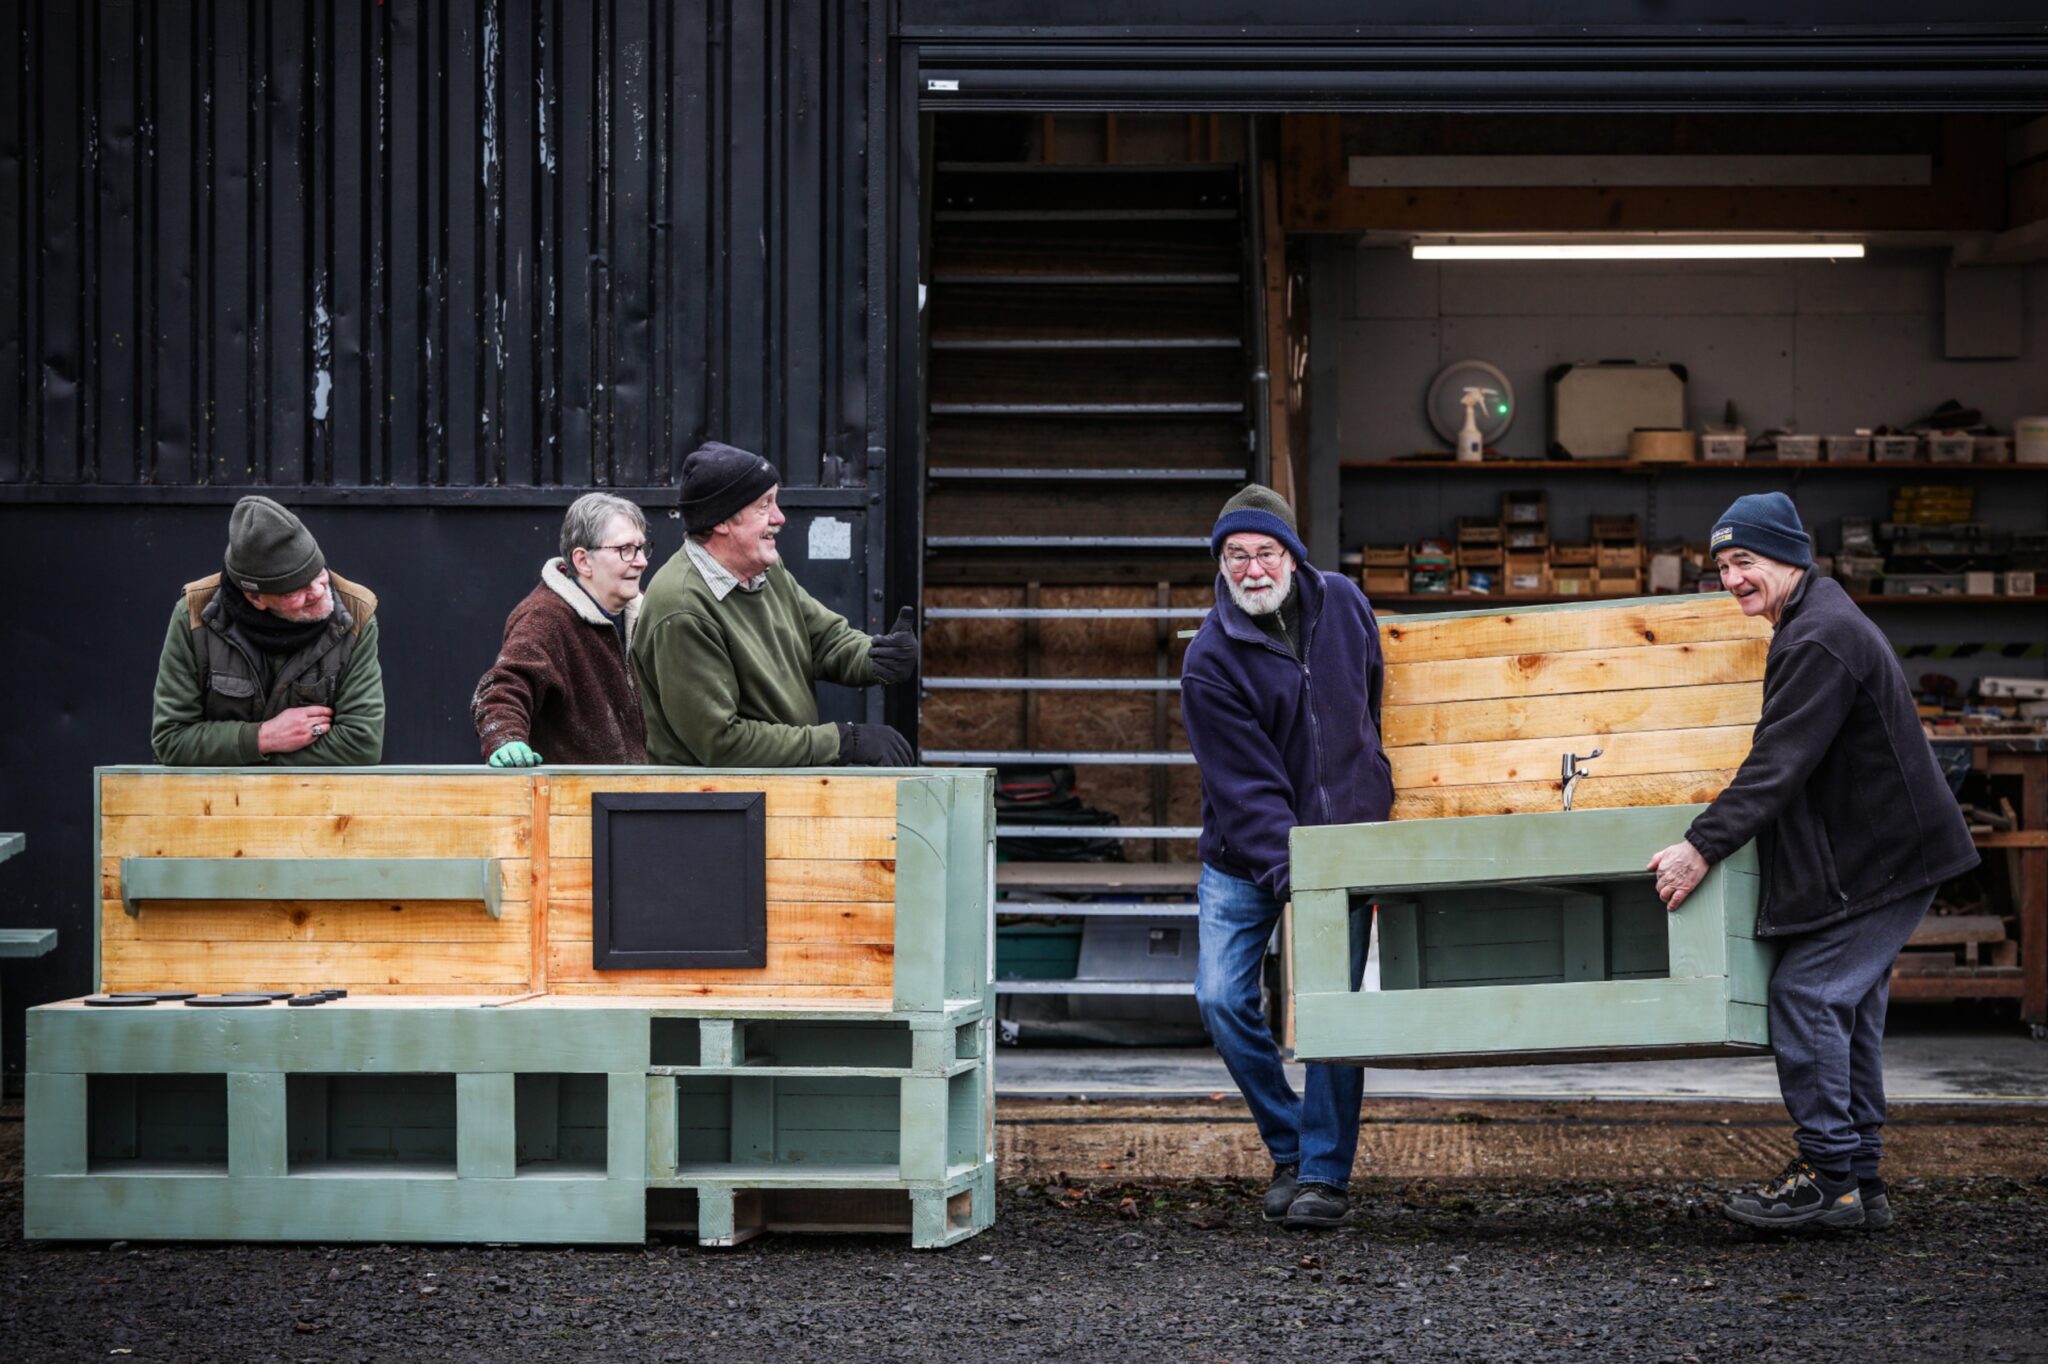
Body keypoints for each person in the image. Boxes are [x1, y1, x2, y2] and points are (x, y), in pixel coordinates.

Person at [1647, 492, 1976, 1232]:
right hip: (1880, 859)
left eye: (1746, 561)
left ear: (1792, 556)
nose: (1732, 579)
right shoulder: (1812, 622)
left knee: (1808, 996)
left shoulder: (1818, 638)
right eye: (1724, 565)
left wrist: (1701, 845)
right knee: (1846, 1011)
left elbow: (1778, 764)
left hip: (1887, 861)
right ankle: (1860, 1179)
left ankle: (1829, 1180)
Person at [1180, 484, 1393, 1229]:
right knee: (1219, 997)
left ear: (1293, 557)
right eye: (1235, 555)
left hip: (1346, 845)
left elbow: (1370, 697)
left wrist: (1370, 794)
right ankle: (1292, 1143)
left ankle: (1323, 1178)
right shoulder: (1210, 659)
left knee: (1334, 1014)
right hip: (1247, 856)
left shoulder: (1345, 602)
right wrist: (1299, 881)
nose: (1251, 569)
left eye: (1265, 552)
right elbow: (1248, 791)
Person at [633, 441, 918, 767]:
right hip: (717, 809)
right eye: (764, 506)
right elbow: (722, 742)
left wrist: (876, 657)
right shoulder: (682, 606)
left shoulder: (763, 569)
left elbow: (822, 639)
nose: (779, 518)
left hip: (775, 793)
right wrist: (844, 741)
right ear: (722, 521)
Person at [150, 495, 384, 766]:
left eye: (318, 574)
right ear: (256, 598)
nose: (319, 591)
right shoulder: (194, 615)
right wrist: (262, 738)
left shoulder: (356, 613)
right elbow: (171, 739)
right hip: (213, 804)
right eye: (297, 590)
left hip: (319, 802)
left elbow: (362, 744)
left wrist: (239, 753)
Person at [472, 492, 651, 766]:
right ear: (582, 561)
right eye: (625, 550)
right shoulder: (545, 618)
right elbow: (502, 690)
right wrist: (506, 740)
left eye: (641, 548)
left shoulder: (646, 614)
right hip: (575, 802)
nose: (641, 561)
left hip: (640, 799)